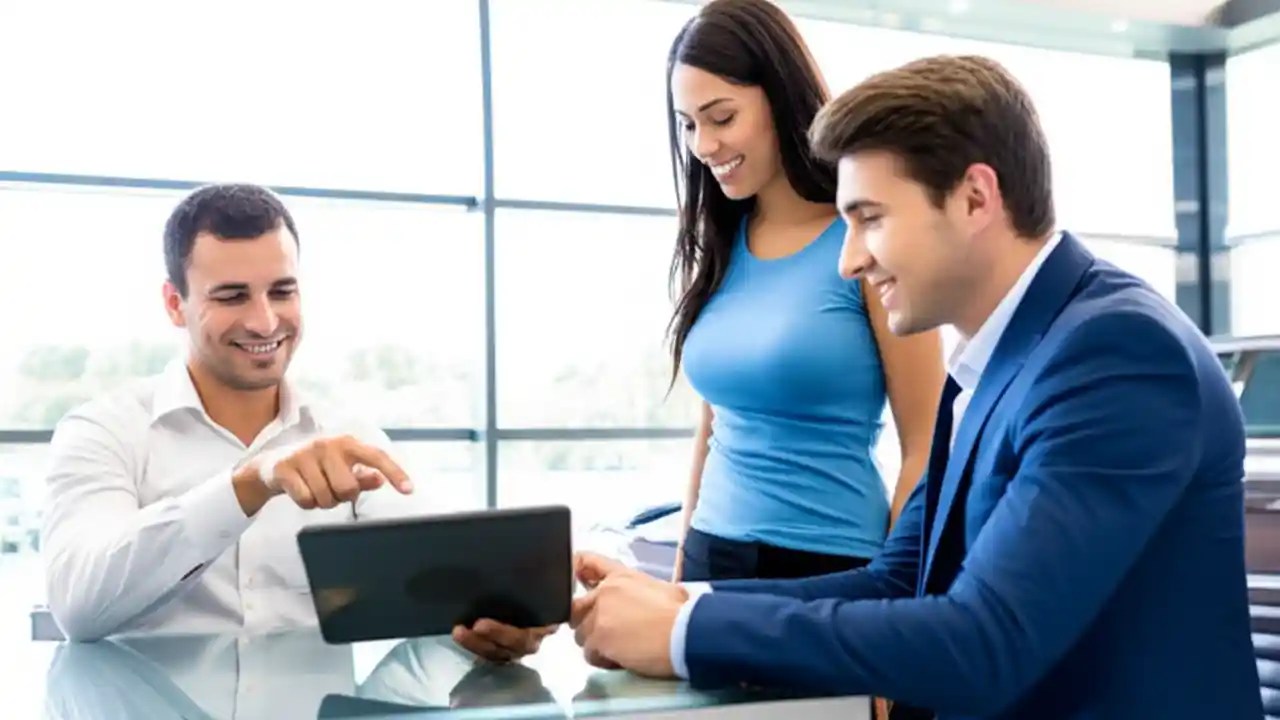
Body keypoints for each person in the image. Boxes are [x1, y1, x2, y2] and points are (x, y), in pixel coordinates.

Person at [569, 55, 1263, 719]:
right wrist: (675, 603)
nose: (848, 260)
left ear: (974, 198)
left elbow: (986, 641)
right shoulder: (995, 361)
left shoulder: (1115, 355)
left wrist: (686, 631)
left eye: (869, 218)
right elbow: (897, 581)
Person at [41, 184, 548, 662]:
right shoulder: (103, 432)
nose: (264, 321)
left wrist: (492, 619)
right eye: (232, 296)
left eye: (282, 291)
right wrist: (248, 484)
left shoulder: (350, 435)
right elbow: (77, 607)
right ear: (176, 304)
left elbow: (437, 579)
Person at [665, 0, 944, 583]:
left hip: (831, 567)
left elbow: (924, 442)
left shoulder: (864, 241)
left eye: (721, 117)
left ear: (779, 96)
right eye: (688, 124)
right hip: (714, 560)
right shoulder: (719, 245)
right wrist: (680, 573)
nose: (702, 145)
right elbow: (712, 428)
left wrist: (896, 588)